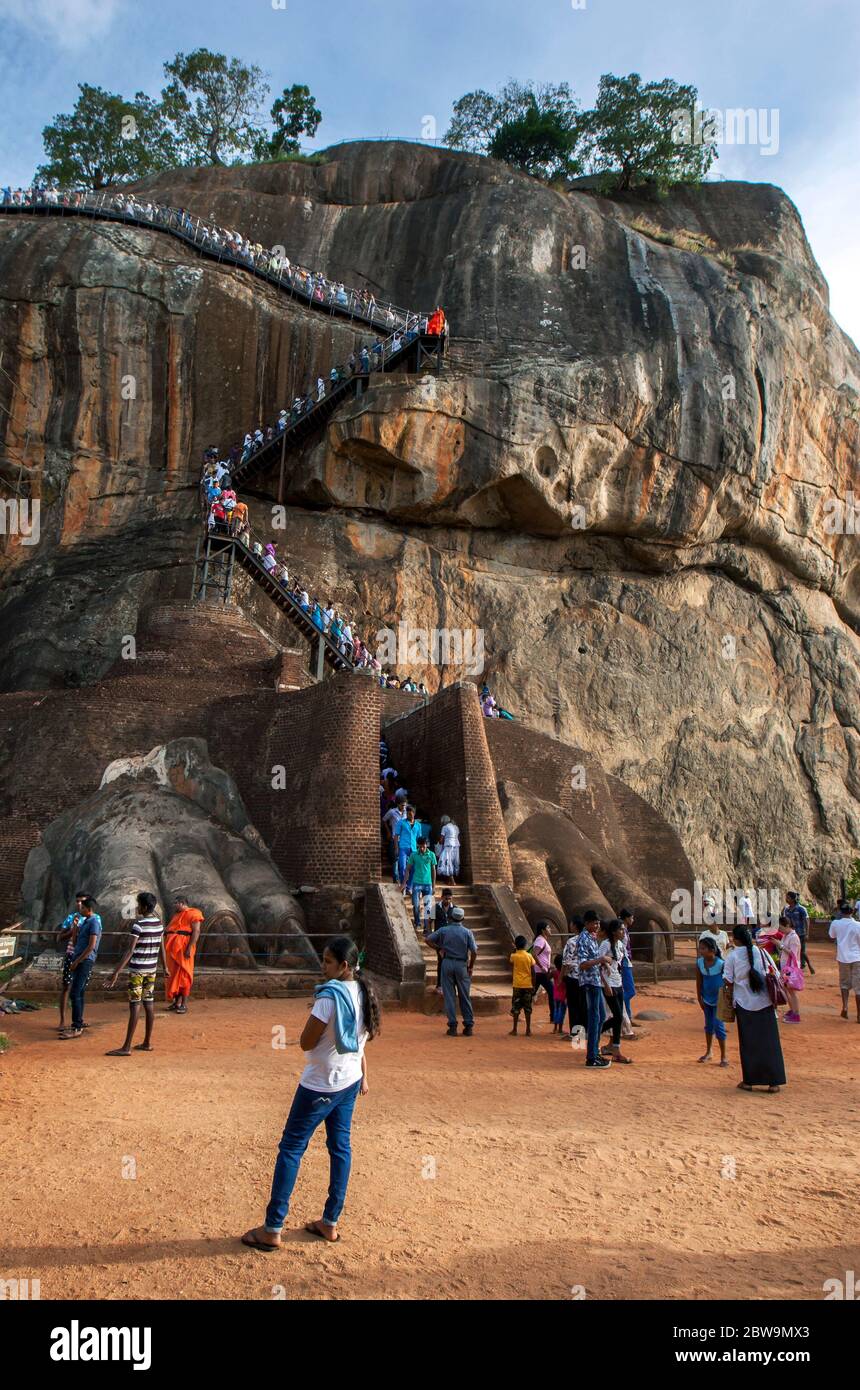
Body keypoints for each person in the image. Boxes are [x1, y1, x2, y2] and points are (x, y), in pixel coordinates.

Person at [241, 937, 379, 1250]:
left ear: (344, 966)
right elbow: (361, 1042)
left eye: (328, 961)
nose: (323, 966)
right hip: (349, 1080)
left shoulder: (329, 997)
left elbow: (305, 1041)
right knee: (340, 1147)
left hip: (321, 1083)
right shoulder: (364, 990)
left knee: (291, 1148)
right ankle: (330, 1222)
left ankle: (273, 1227)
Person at [722, 925, 786, 1093]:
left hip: (744, 1004)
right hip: (765, 1003)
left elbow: (728, 980)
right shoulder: (762, 953)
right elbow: (776, 974)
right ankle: (774, 1082)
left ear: (735, 939)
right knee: (770, 1043)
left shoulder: (732, 956)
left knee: (748, 1043)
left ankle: (749, 1081)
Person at [105, 892, 165, 1056]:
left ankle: (126, 1047)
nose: (137, 907)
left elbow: (129, 951)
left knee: (135, 1005)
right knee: (149, 1004)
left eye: (138, 904)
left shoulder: (139, 925)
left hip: (137, 970)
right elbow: (162, 949)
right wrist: (165, 968)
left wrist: (115, 972)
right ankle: (147, 1042)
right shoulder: (159, 924)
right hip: (152, 970)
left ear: (145, 907)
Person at [425, 907, 477, 1036]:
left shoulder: (444, 930)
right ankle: (468, 1025)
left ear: (450, 917)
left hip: (447, 962)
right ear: (462, 919)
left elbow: (428, 939)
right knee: (464, 995)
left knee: (449, 995)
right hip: (461, 964)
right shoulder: (467, 932)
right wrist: (470, 966)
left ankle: (452, 1025)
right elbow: (475, 951)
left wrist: (439, 949)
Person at [59, 897, 102, 1039]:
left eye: (82, 907)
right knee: (80, 992)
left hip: (85, 961)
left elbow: (91, 946)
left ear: (88, 909)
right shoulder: (85, 922)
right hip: (79, 959)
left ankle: (76, 1027)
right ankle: (79, 1022)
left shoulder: (94, 922)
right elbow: (76, 942)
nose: (80, 909)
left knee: (74, 993)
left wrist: (77, 961)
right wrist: (76, 927)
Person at [576, 911, 610, 1068]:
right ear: (587, 923)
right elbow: (583, 964)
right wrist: (601, 959)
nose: (597, 926)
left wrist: (602, 964)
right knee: (595, 1017)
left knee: (601, 1016)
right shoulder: (583, 939)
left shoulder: (592, 938)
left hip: (595, 981)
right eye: (594, 923)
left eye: (598, 923)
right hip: (589, 983)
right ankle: (591, 1057)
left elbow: (592, 961)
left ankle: (595, 1052)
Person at [597, 920, 632, 1063]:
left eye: (624, 930)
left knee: (618, 1018)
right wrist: (605, 984)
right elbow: (597, 964)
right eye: (621, 929)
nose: (623, 932)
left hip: (618, 983)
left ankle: (616, 1050)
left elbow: (618, 965)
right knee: (617, 1016)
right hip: (609, 984)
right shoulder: (605, 944)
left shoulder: (620, 945)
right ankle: (596, 1031)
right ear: (613, 931)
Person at [164, 894, 204, 1013]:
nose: (174, 905)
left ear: (182, 903)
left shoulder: (194, 913)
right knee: (173, 975)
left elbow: (196, 931)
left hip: (184, 948)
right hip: (172, 949)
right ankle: (176, 1003)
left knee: (184, 976)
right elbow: (169, 929)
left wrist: (189, 948)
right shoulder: (176, 915)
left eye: (175, 903)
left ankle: (184, 1004)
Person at [56, 891, 87, 1032]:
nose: (79, 903)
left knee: (81, 989)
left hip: (85, 957)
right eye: (77, 901)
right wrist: (73, 928)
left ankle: (79, 1018)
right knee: (67, 986)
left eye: (82, 901)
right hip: (71, 954)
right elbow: (60, 937)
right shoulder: (71, 918)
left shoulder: (94, 919)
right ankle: (62, 1019)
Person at [695, 936, 728, 1066]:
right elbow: (699, 982)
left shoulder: (721, 964)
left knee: (719, 1026)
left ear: (712, 950)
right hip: (707, 998)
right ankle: (709, 1051)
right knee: (708, 1026)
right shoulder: (699, 963)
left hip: (719, 999)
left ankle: (724, 1056)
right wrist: (699, 998)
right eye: (700, 948)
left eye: (703, 948)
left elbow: (726, 982)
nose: (701, 951)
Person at [828, 902, 860, 1022]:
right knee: (859, 987)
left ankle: (845, 1006)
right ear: (852, 912)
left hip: (842, 957)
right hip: (857, 957)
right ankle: (859, 1014)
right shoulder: (858, 925)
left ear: (841, 912)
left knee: (844, 984)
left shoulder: (836, 923)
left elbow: (832, 936)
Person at [426, 887, 456, 994]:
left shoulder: (455, 909)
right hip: (440, 941)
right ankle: (439, 985)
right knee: (441, 962)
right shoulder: (435, 908)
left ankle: (449, 985)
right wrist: (430, 934)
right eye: (446, 898)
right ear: (442, 897)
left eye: (449, 899)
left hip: (451, 941)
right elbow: (429, 921)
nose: (448, 901)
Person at [561, 917, 586, 1039]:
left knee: (574, 1005)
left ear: (575, 926)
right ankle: (583, 1031)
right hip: (586, 977)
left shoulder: (571, 941)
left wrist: (562, 977)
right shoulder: (589, 940)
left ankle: (575, 1033)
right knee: (583, 1005)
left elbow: (566, 962)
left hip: (573, 977)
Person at [776, 913, 804, 1023]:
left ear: (787, 925)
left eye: (781, 927)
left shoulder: (794, 937)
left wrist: (780, 946)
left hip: (790, 968)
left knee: (791, 991)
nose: (780, 930)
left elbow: (793, 953)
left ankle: (796, 1013)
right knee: (787, 989)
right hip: (786, 967)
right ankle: (793, 1010)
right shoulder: (786, 936)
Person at [406, 836, 437, 930]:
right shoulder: (413, 855)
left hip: (428, 885)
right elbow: (408, 869)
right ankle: (417, 922)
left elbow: (433, 871)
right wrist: (405, 884)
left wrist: (434, 886)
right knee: (416, 905)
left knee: (428, 907)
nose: (422, 849)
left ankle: (427, 927)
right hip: (416, 884)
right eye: (420, 847)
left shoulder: (431, 855)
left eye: (424, 846)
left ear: (426, 845)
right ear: (417, 846)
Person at [509, 934, 536, 1036]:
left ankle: (515, 1029)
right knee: (528, 1008)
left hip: (517, 985)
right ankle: (528, 1030)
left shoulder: (514, 956)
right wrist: (533, 984)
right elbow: (533, 972)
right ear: (525, 945)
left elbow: (511, 960)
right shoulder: (529, 956)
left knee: (516, 1007)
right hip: (527, 985)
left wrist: (514, 949)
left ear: (516, 945)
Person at [530, 921, 554, 1022]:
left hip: (541, 971)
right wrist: (542, 967)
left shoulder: (543, 940)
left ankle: (516, 1009)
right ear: (543, 930)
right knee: (552, 992)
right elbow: (534, 954)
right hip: (540, 972)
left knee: (532, 992)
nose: (550, 929)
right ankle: (553, 1017)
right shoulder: (540, 940)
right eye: (548, 928)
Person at [784, 892, 814, 974]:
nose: (786, 899)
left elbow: (806, 920)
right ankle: (796, 966)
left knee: (801, 951)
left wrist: (807, 933)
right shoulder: (786, 910)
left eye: (788, 898)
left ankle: (808, 964)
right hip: (790, 934)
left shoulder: (801, 909)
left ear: (793, 899)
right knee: (790, 950)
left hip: (801, 933)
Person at [396, 804, 419, 895]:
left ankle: (409, 886)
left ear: (414, 813)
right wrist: (396, 848)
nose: (410, 815)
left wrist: (419, 850)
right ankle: (403, 884)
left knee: (414, 868)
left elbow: (419, 838)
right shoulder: (401, 822)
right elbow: (396, 835)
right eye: (408, 813)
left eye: (412, 813)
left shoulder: (418, 825)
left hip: (414, 849)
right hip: (403, 847)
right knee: (402, 866)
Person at [551, 954, 567, 1034]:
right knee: (562, 1012)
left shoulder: (554, 972)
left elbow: (548, 977)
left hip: (555, 994)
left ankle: (555, 1028)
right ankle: (560, 1029)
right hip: (563, 995)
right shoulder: (564, 973)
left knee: (556, 1010)